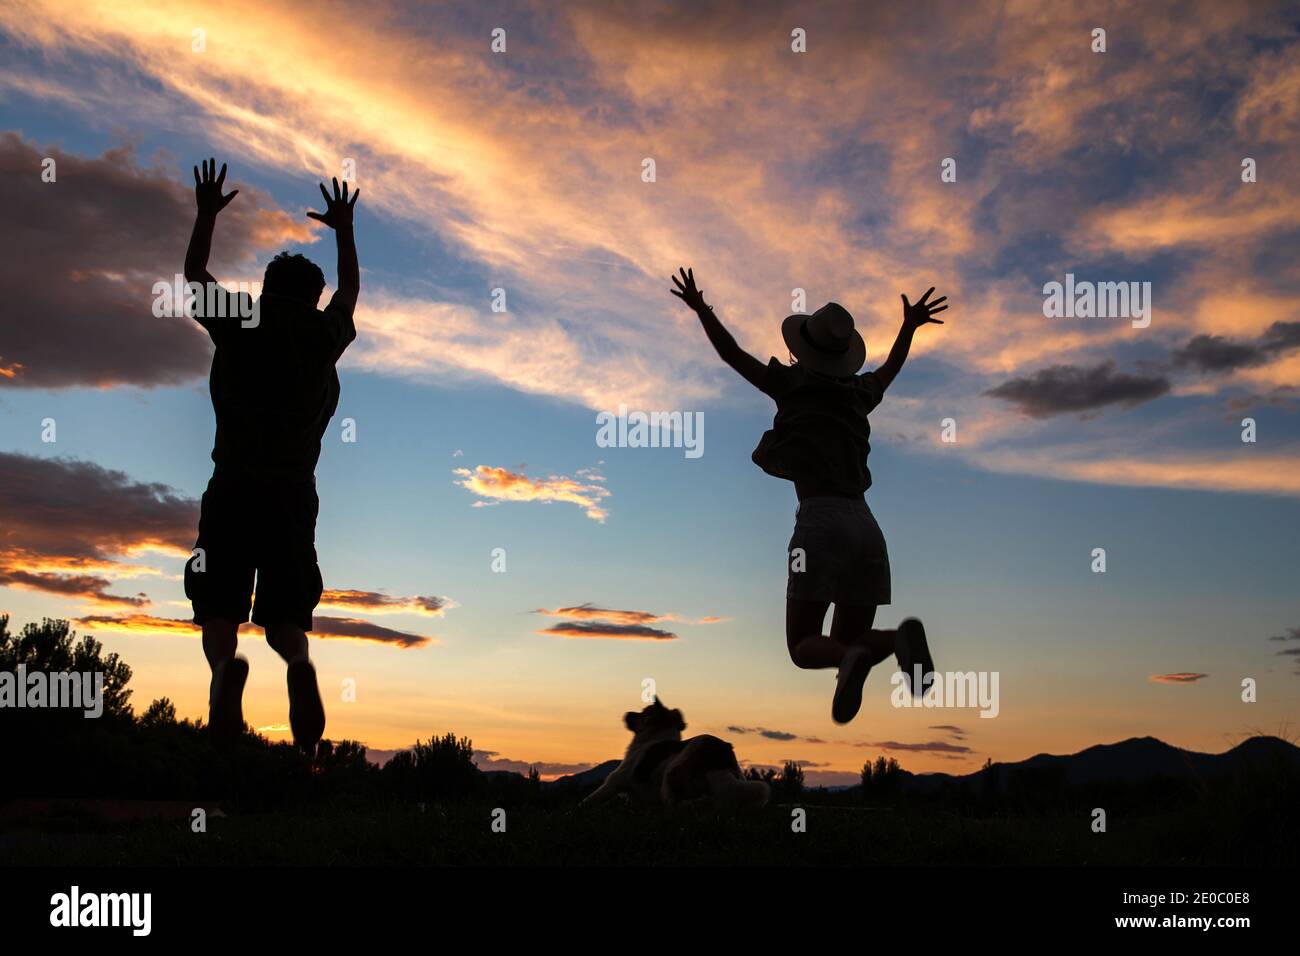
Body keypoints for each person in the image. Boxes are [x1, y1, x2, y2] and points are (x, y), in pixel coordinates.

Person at [669, 267, 944, 724]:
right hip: (868, 528)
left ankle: (852, 662)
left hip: (819, 521)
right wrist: (908, 327)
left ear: (802, 350)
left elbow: (733, 355)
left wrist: (702, 309)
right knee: (851, 642)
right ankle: (895, 642)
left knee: (803, 646)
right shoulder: (861, 394)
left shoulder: (792, 386)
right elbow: (891, 370)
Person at [182, 158, 359, 749]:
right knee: (286, 613)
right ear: (314, 299)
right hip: (291, 494)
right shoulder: (321, 337)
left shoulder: (242, 321)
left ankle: (222, 676)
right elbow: (352, 291)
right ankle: (298, 666)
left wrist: (206, 213)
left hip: (232, 485)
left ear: (264, 291)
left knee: (218, 603)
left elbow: (194, 273)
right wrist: (345, 230)